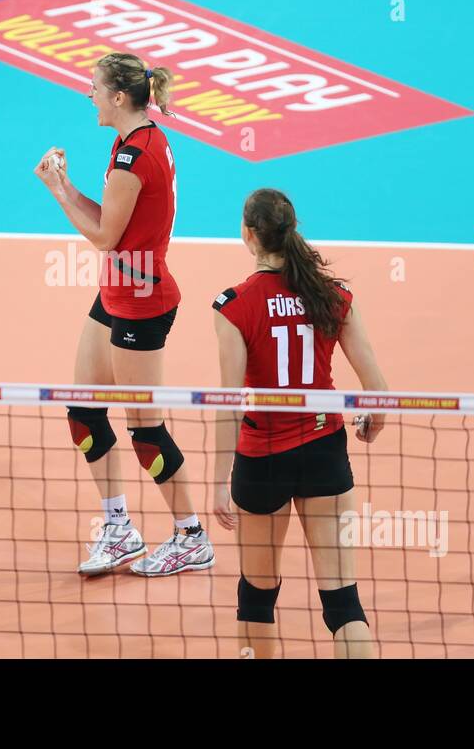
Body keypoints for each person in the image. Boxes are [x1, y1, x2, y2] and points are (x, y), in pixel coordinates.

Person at [34, 52, 214, 577]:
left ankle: (191, 536)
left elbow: (104, 236)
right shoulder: (133, 141)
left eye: (93, 87)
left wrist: (56, 193)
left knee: (146, 430)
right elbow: (115, 223)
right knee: (84, 412)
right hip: (117, 290)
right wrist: (67, 186)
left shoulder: (137, 156)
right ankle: (119, 530)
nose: (87, 94)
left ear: (118, 97)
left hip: (141, 302)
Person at [212, 189, 384, 658]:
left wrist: (217, 482)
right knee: (342, 602)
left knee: (257, 599)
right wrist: (373, 421)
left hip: (262, 460)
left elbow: (230, 403)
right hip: (325, 450)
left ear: (248, 234)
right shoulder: (332, 295)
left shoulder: (233, 306)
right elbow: (379, 392)